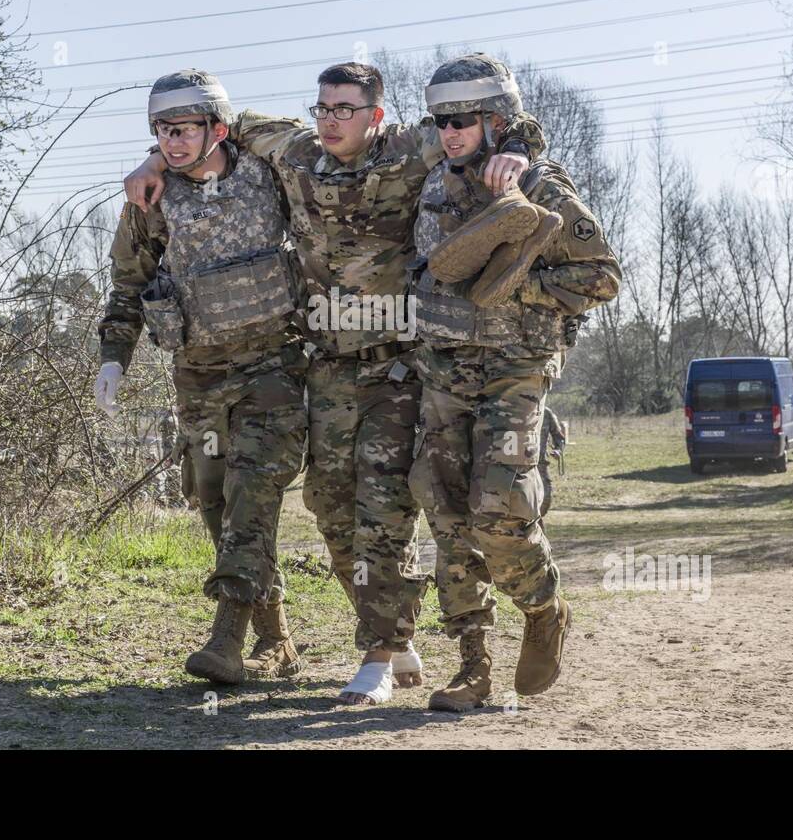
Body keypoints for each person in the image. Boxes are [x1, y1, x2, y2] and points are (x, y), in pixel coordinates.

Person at [124, 62, 545, 705]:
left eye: (344, 110)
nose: (329, 121)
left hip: (398, 364)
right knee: (328, 506)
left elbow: (490, 129)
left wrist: (517, 149)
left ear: (375, 115)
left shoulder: (414, 147)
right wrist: (154, 158)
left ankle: (377, 656)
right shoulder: (295, 151)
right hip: (325, 363)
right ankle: (394, 631)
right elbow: (211, 128)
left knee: (382, 505)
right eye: (322, 108)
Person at [406, 54, 621, 712]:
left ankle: (544, 605)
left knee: (498, 510)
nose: (449, 132)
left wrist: (516, 285)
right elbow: (357, 139)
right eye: (441, 120)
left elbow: (602, 278)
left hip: (513, 374)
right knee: (446, 518)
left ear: (496, 119)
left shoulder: (543, 188)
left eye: (464, 120)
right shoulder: (436, 173)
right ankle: (473, 668)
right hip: (442, 372)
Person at [96, 69, 307, 684]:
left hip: (275, 363)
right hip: (199, 370)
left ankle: (226, 641)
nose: (172, 142)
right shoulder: (150, 199)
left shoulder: (269, 172)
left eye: (185, 128)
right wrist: (115, 355)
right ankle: (277, 640)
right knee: (213, 501)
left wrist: (217, 130)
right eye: (160, 131)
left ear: (218, 127)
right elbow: (130, 283)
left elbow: (300, 138)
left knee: (252, 494)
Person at [538, 405, 568, 517]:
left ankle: (536, 525)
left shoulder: (545, 412)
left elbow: (559, 437)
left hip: (540, 465)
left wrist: (558, 450)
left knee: (545, 500)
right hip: (515, 466)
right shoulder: (511, 409)